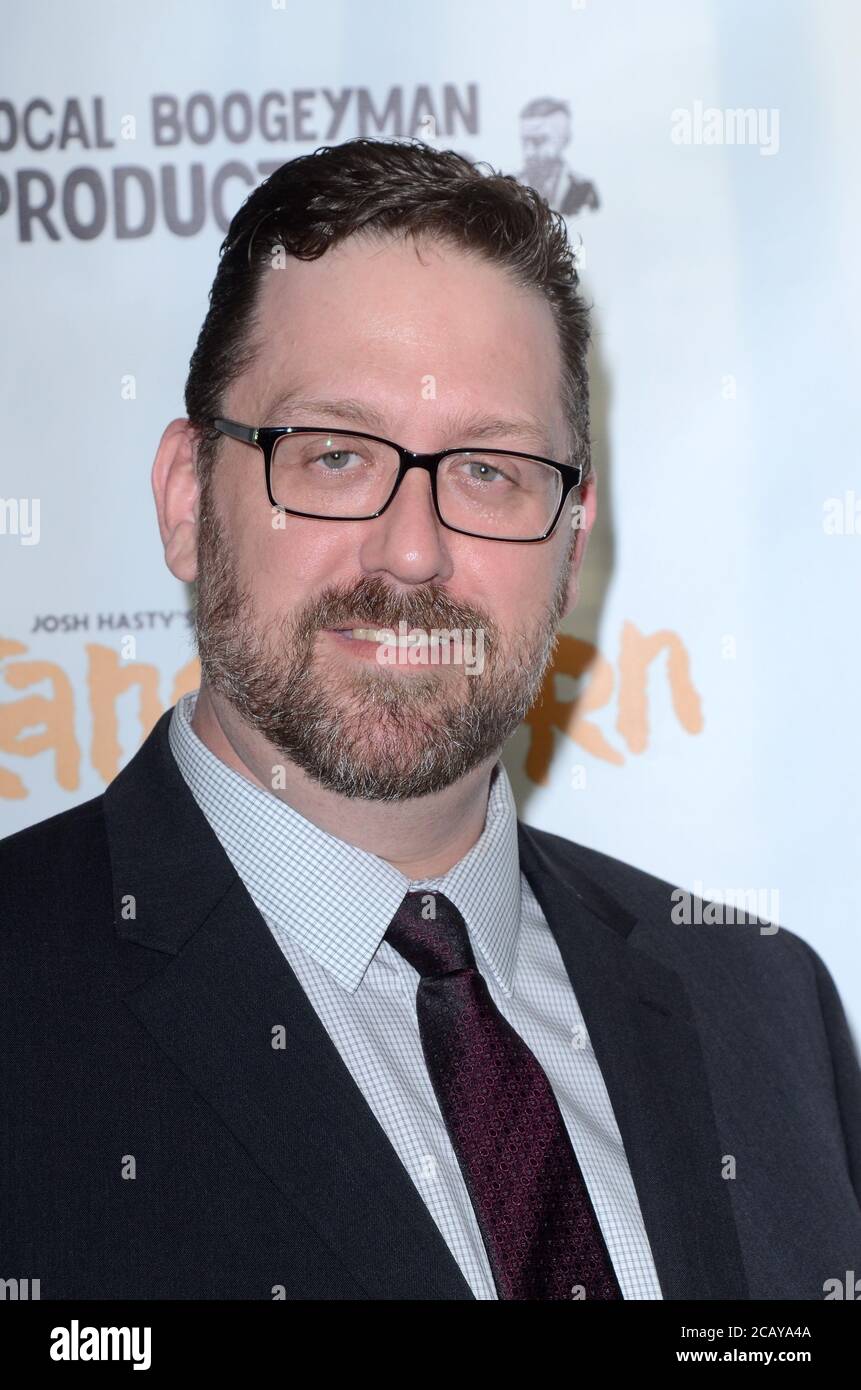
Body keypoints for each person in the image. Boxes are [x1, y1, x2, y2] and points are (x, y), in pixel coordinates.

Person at [1, 138, 858, 1301]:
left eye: (491, 470)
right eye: (337, 454)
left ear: (572, 536)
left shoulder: (764, 1008)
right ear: (187, 501)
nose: (413, 550)